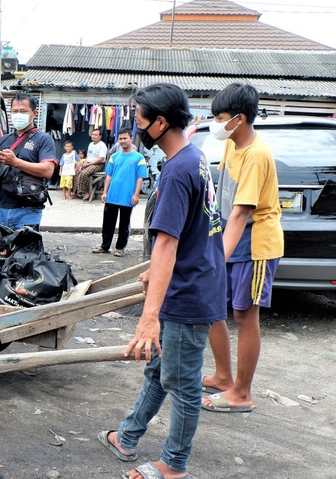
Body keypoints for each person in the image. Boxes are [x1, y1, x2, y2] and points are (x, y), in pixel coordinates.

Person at [97, 83, 226, 479]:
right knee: (158, 370)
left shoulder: (176, 171)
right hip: (193, 278)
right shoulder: (194, 158)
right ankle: (128, 435)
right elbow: (192, 229)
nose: (135, 126)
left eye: (139, 119)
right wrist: (155, 271)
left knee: (184, 383)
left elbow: (167, 243)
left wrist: (148, 315)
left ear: (161, 122)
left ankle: (174, 465)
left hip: (189, 292)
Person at [201, 83, 284, 414]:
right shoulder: (233, 145)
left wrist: (214, 258)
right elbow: (223, 199)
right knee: (213, 306)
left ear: (238, 118)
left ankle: (241, 393)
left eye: (219, 117)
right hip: (233, 238)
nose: (215, 123)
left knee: (245, 315)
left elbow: (240, 213)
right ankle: (223, 376)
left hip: (256, 245)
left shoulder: (255, 155)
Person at [0, 92, 57, 230]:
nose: (18, 115)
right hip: (2, 207)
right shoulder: (4, 140)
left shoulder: (43, 139)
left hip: (28, 209)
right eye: (15, 111)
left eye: (23, 111)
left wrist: (15, 162)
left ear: (34, 114)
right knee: (1, 250)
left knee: (24, 251)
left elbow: (48, 170)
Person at [93, 129, 147, 256]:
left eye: (125, 138)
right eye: (120, 139)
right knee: (107, 223)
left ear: (131, 138)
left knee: (124, 224)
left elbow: (140, 177)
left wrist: (136, 194)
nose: (122, 141)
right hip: (112, 195)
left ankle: (120, 248)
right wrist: (105, 192)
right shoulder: (114, 157)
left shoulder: (139, 158)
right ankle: (105, 246)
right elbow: (109, 176)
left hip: (127, 196)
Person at [73, 129, 107, 200]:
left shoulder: (102, 145)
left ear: (100, 136)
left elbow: (101, 159)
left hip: (98, 165)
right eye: (93, 134)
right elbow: (88, 156)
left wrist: (88, 164)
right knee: (77, 172)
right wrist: (84, 163)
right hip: (89, 163)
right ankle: (76, 193)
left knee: (84, 173)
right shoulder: (90, 144)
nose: (93, 136)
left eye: (95, 135)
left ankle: (86, 192)